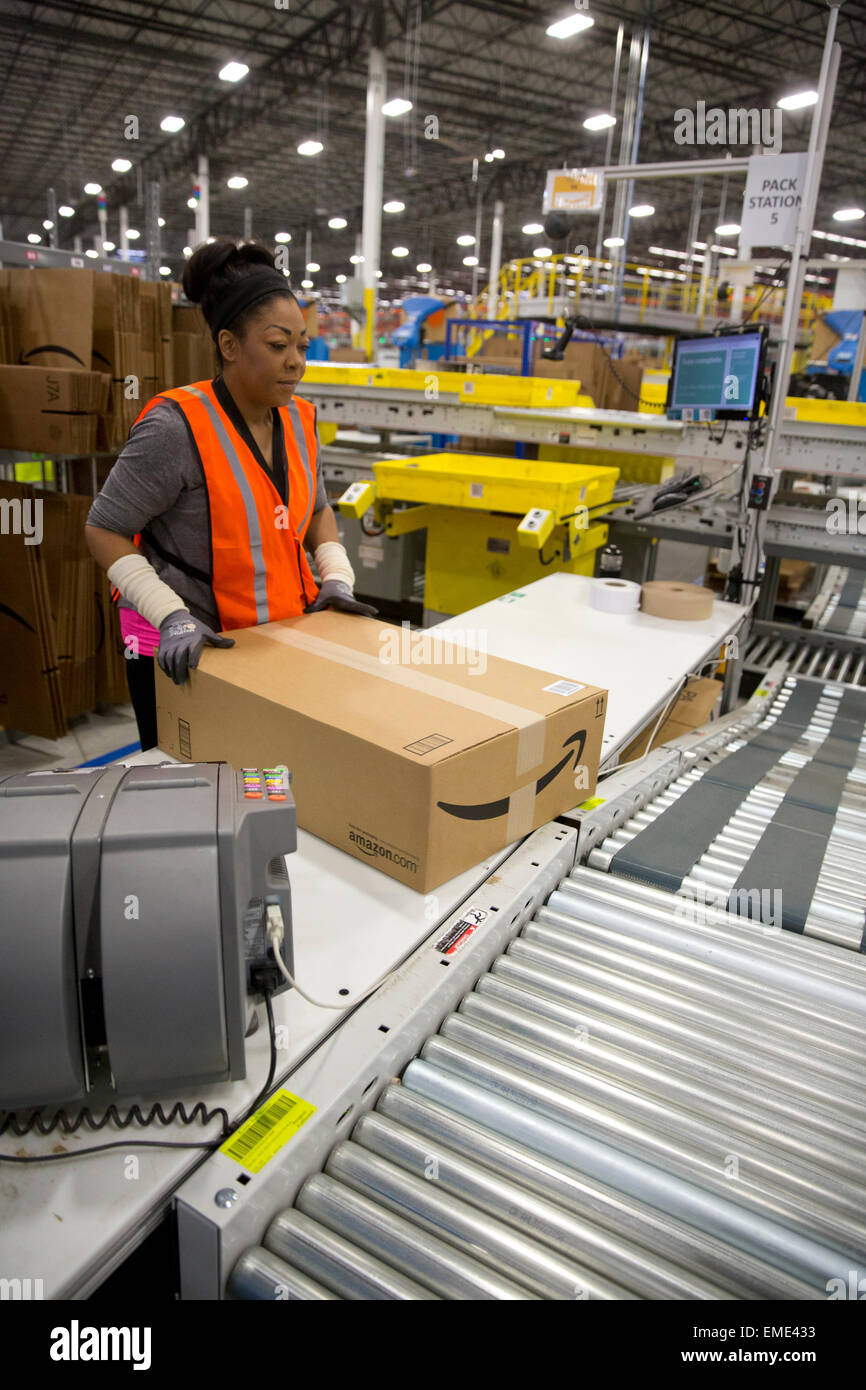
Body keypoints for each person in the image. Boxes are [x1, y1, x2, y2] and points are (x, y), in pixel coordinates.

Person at [86, 239, 375, 750]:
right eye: (278, 345)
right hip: (188, 654)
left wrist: (337, 576)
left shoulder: (301, 419)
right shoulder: (175, 427)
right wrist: (168, 615)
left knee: (270, 781)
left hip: (277, 640)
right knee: (194, 796)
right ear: (229, 345)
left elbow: (317, 509)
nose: (296, 363)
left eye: (302, 346)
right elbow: (103, 528)